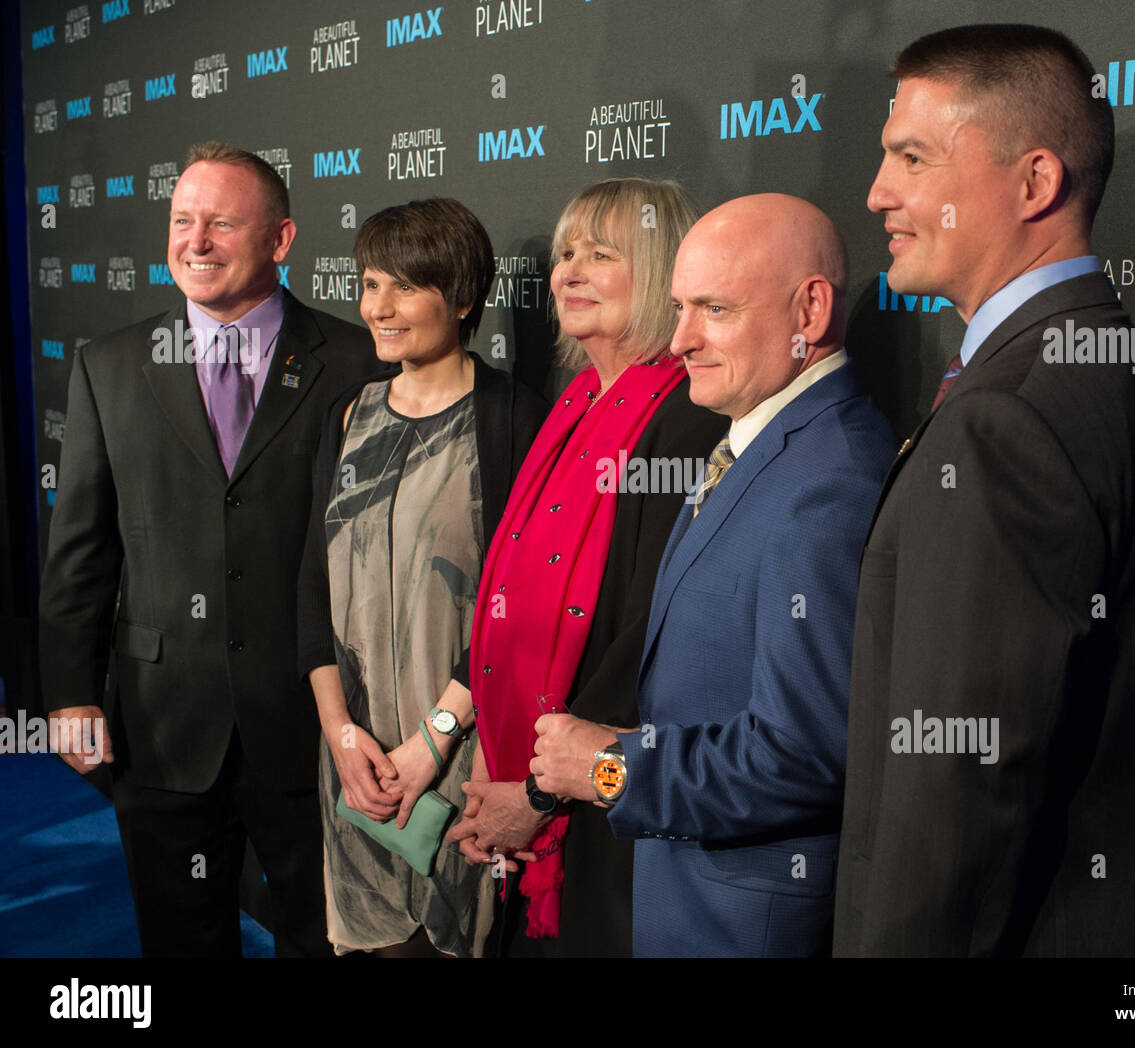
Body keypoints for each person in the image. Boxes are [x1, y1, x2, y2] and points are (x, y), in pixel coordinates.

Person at [833, 24, 1135, 956]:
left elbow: (955, 805)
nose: (878, 193)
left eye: (911, 158)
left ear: (1035, 183)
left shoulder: (1009, 419)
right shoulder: (1123, 371)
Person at [530, 193, 896, 957]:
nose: (682, 338)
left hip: (746, 926)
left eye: (715, 309)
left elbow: (802, 757)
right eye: (679, 307)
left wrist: (603, 767)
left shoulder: (827, 485)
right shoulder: (758, 438)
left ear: (811, 309)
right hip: (687, 898)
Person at [38, 142, 382, 956]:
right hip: (163, 722)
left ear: (282, 239)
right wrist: (70, 694)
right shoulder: (109, 367)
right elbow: (80, 550)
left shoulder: (359, 362)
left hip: (316, 720)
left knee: (323, 939)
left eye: (221, 224)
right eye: (182, 221)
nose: (194, 242)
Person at [382, 177, 727, 958]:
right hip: (524, 787)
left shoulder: (683, 422)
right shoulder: (570, 406)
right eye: (566, 252)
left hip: (608, 815)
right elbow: (505, 606)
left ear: (665, 271)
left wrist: (538, 797)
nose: (568, 271)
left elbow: (644, 642)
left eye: (601, 254)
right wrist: (455, 745)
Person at [296, 198, 548, 957]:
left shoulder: (511, 418)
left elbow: (521, 605)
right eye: (371, 285)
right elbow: (312, 586)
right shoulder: (348, 414)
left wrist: (432, 742)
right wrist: (341, 735)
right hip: (354, 762)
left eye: (405, 287)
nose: (381, 308)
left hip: (462, 760)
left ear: (463, 298)